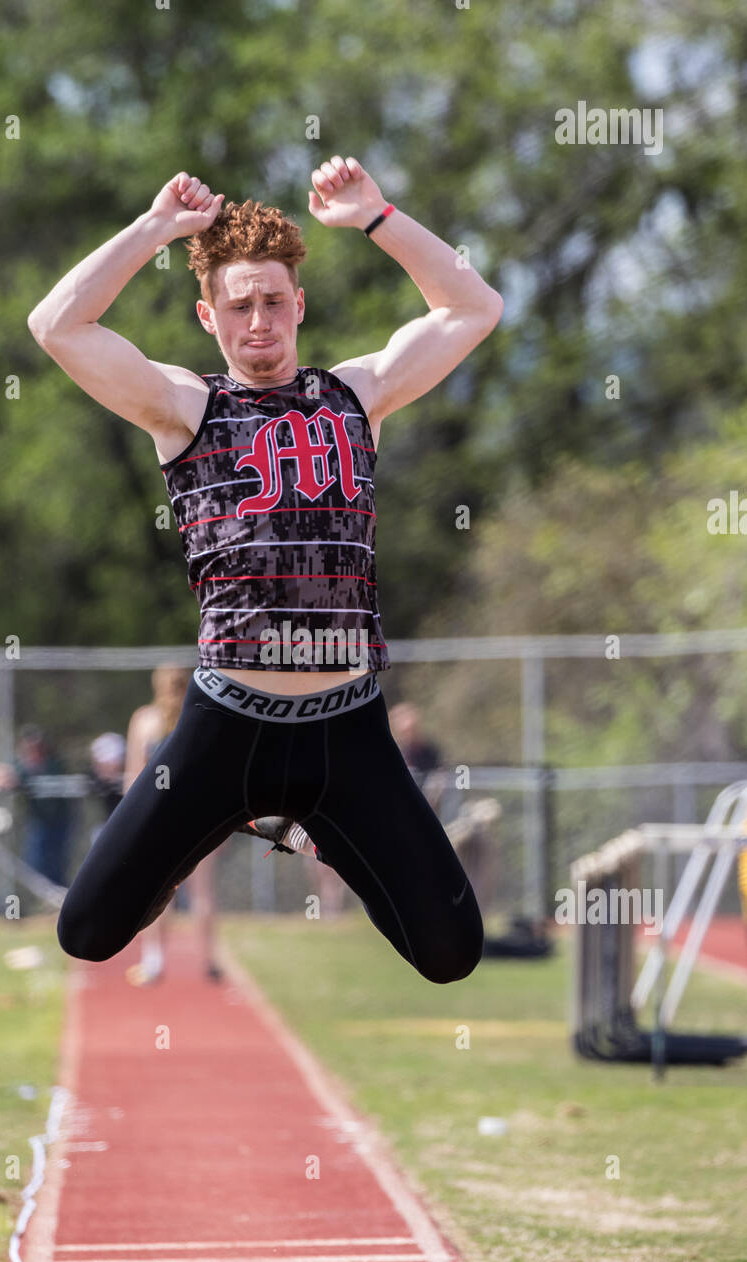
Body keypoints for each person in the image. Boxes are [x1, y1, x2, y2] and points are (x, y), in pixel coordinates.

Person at [29, 153, 502, 983]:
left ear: (300, 306)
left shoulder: (358, 395)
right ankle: (234, 815)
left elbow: (475, 306)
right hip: (226, 723)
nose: (259, 322)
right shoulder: (184, 407)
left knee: (451, 953)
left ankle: (301, 820)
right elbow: (57, 326)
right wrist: (154, 229)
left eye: (274, 302)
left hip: (348, 724)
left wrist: (377, 218)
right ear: (208, 316)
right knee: (90, 930)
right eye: (239, 305)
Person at [122, 666, 224, 985]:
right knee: (202, 891)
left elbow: (133, 776)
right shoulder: (201, 714)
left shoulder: (144, 719)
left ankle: (153, 961)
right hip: (200, 814)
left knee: (156, 891)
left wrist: (130, 820)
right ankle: (209, 961)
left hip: (158, 816)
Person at [0, 727, 73, 888]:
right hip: (37, 822)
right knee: (35, 863)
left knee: (57, 863)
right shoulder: (21, 764)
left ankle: (56, 899)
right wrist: (0, 775)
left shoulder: (53, 764)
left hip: (58, 821)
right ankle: (39, 899)